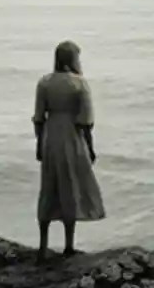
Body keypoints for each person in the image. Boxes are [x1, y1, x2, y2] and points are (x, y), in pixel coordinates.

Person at [33, 40, 105, 262]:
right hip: (72, 137)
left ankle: (43, 246)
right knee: (70, 187)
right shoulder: (79, 84)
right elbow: (86, 121)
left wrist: (39, 143)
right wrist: (90, 147)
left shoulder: (44, 82)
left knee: (49, 188)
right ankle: (68, 246)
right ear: (73, 59)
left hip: (50, 137)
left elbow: (38, 117)